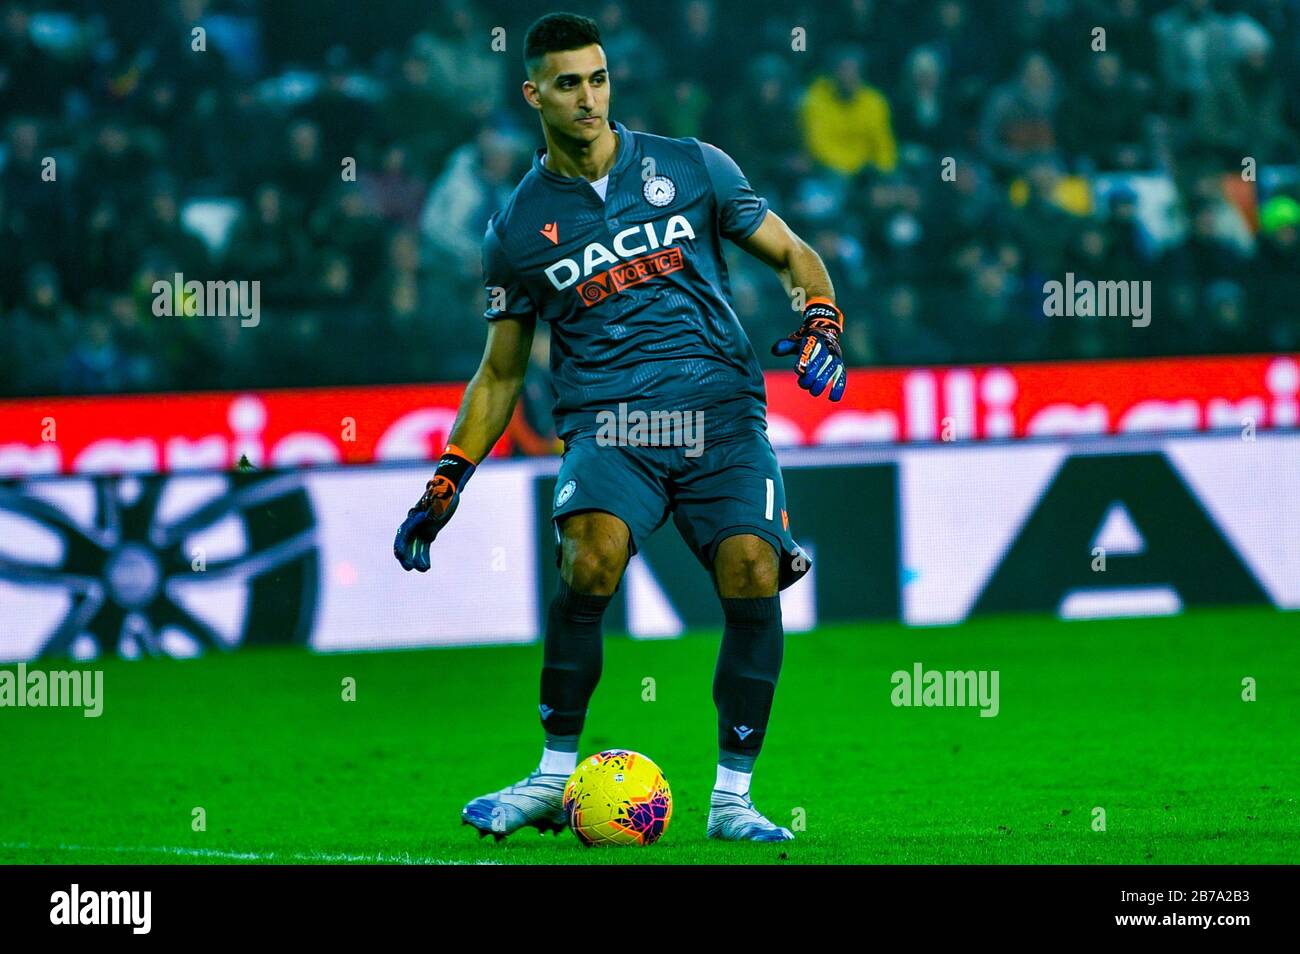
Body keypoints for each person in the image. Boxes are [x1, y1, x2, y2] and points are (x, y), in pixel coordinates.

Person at [393, 12, 848, 843]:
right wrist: (449, 475)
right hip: (612, 424)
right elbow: (499, 373)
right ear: (533, 93)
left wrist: (821, 315)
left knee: (752, 567)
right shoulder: (517, 230)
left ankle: (733, 800)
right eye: (568, 84)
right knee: (589, 553)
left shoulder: (693, 166)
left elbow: (792, 253)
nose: (589, 98)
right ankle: (548, 778)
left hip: (720, 415)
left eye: (598, 79)